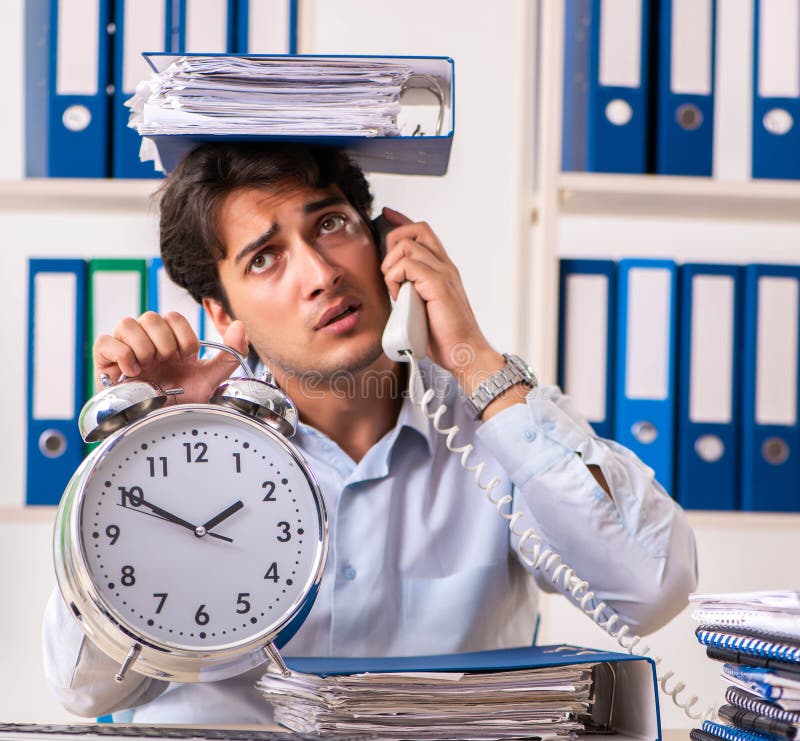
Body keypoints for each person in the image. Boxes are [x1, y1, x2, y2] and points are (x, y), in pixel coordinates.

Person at [42, 142, 698, 723]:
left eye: (330, 224)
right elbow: (83, 687)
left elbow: (651, 590)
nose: (321, 273)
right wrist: (149, 444)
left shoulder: (493, 421)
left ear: (387, 242)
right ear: (222, 312)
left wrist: (473, 355)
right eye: (266, 258)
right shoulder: (181, 441)